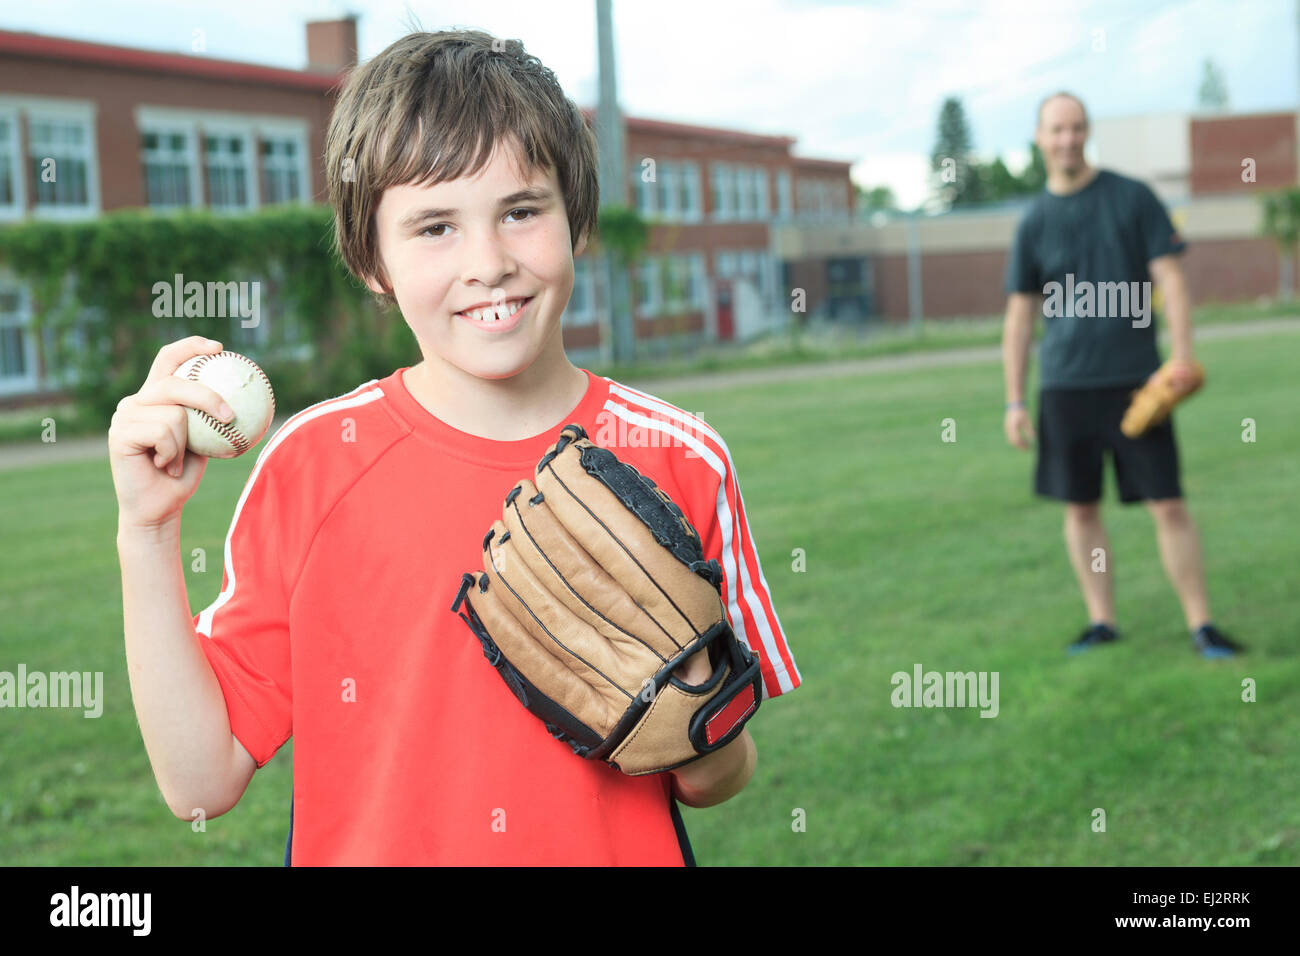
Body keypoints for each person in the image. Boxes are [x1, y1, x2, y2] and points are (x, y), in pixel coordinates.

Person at [109, 30, 800, 865]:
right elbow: (198, 782)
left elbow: (716, 777)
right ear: (372, 259)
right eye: (435, 226)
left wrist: (692, 703)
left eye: (521, 211)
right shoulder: (313, 463)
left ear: (576, 220)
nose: (489, 263)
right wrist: (145, 535)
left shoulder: (681, 455)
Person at [1000, 90, 1243, 659]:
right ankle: (1102, 621)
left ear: (1088, 132)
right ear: (1039, 137)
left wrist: (1180, 358)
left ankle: (1201, 625)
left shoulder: (1132, 198)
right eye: (1057, 129)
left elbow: (1173, 281)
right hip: (1063, 386)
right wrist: (1014, 400)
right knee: (1080, 508)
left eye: (1077, 127)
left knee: (1168, 503)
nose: (1068, 138)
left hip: (1137, 381)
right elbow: (1019, 316)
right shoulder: (1033, 220)